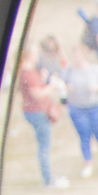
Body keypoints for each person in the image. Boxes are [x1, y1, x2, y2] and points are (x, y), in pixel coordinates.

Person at [62, 44, 98, 176]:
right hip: (77, 109)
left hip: (96, 107)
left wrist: (96, 88)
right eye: (74, 55)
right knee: (84, 136)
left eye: (78, 55)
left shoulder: (95, 70)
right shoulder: (69, 71)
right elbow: (61, 88)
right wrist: (66, 88)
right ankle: (88, 164)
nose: (76, 58)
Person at [17, 47, 66, 187]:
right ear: (29, 55)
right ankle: (49, 180)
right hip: (37, 112)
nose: (37, 56)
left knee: (44, 146)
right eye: (35, 53)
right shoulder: (28, 73)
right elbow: (37, 94)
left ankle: (49, 177)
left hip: (33, 111)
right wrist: (52, 86)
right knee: (44, 147)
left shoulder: (28, 72)